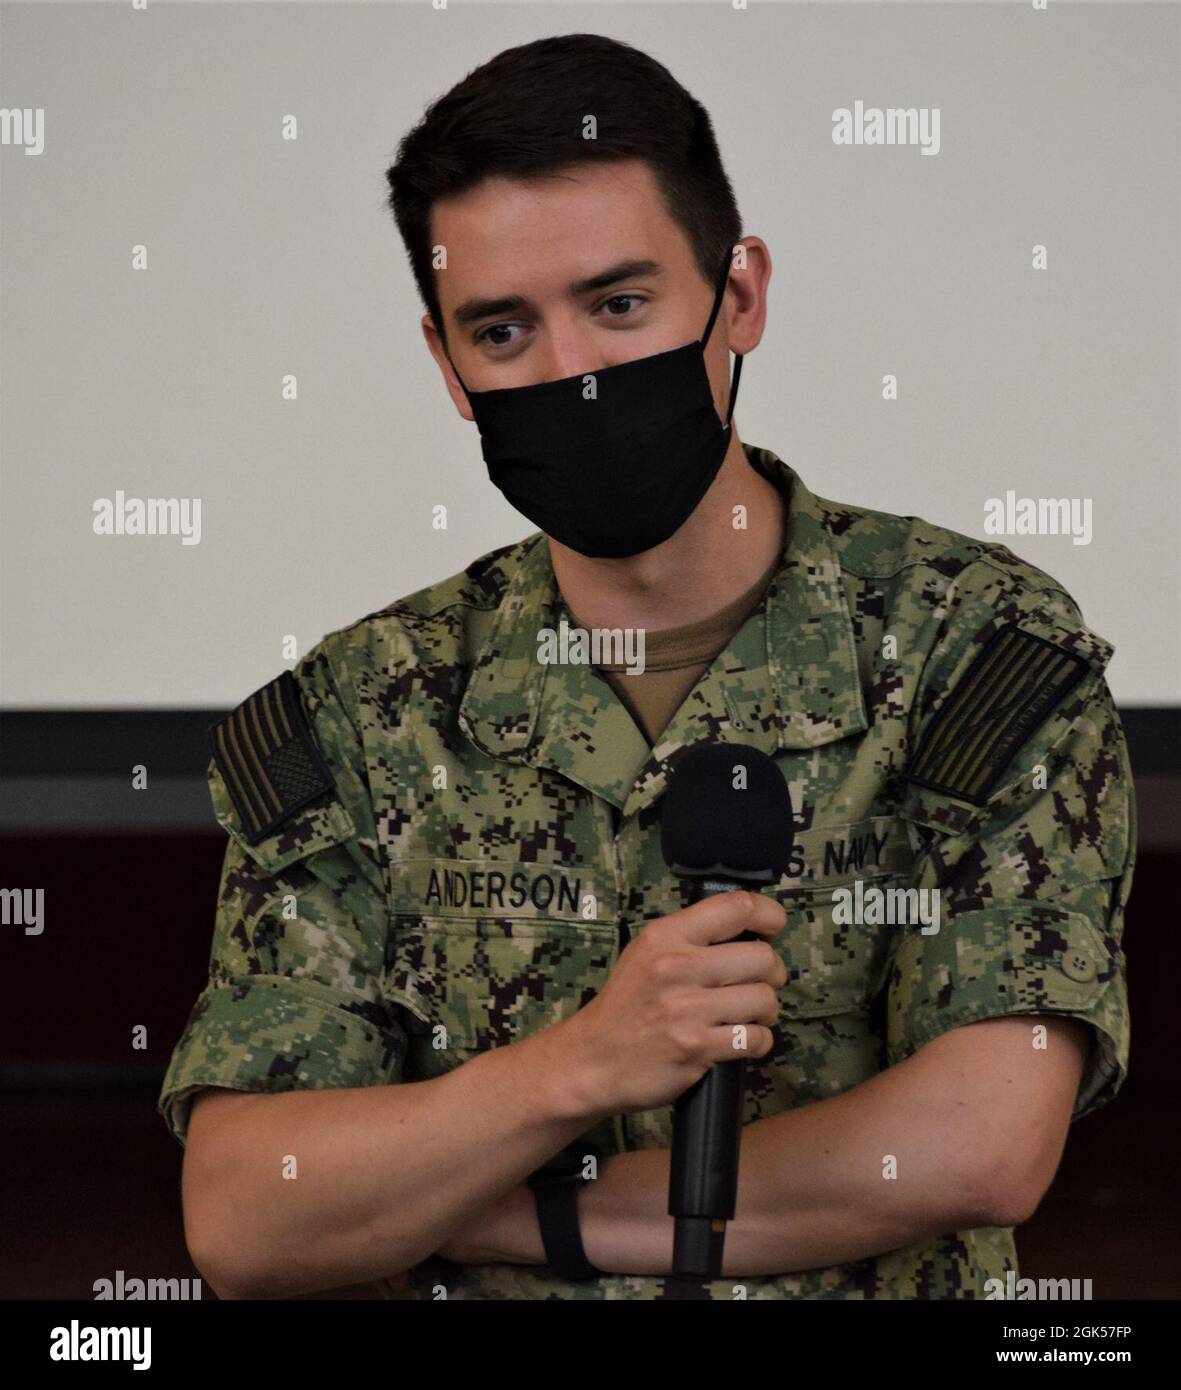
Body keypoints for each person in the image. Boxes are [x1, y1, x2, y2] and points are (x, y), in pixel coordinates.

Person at [158, 33, 1134, 1301]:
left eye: (619, 305)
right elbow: (247, 1214)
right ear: (447, 367)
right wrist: (577, 1065)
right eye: (501, 330)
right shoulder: (358, 709)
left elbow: (973, 1148)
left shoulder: (975, 652)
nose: (570, 374)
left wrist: (490, 1212)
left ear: (738, 297)